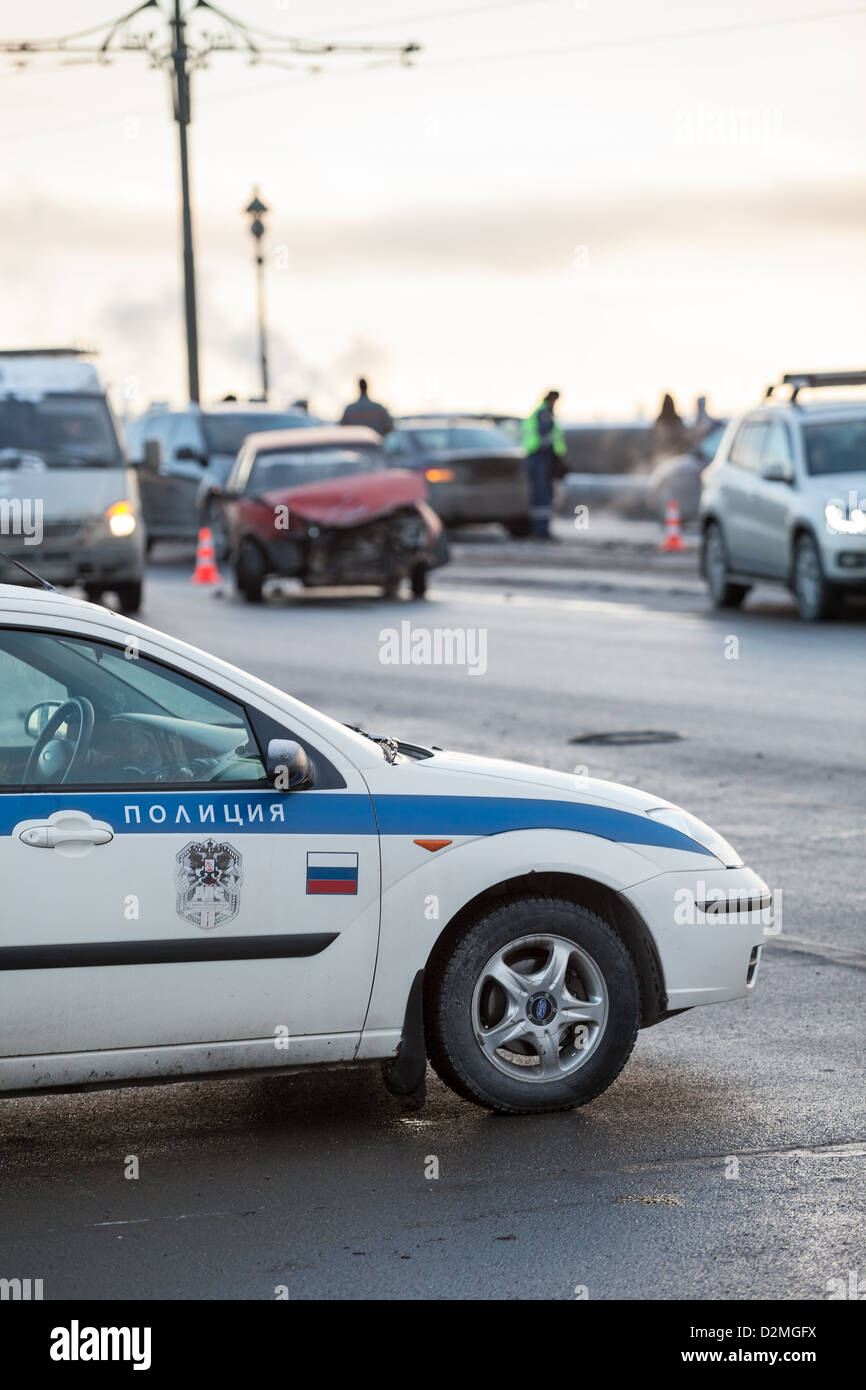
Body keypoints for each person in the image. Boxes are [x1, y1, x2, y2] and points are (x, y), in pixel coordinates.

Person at [522, 390, 568, 538]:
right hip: (540, 458)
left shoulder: (543, 412)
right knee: (542, 496)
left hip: (541, 459)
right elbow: (546, 439)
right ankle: (541, 531)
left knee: (543, 496)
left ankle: (542, 530)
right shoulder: (544, 414)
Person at [652, 392, 689, 458]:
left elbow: (683, 435)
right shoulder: (660, 420)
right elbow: (655, 437)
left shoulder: (676, 420)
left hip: (676, 452)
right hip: (664, 452)